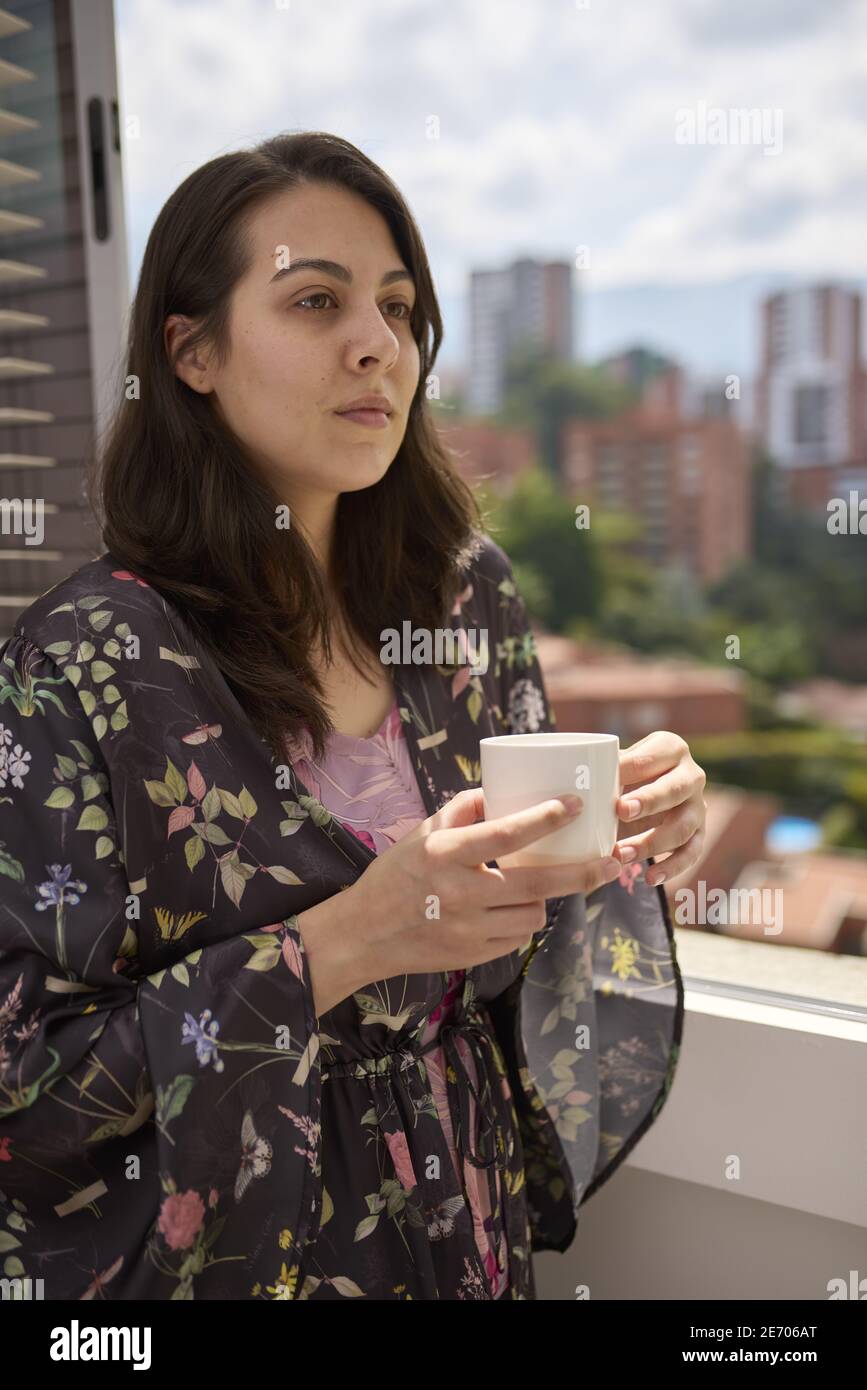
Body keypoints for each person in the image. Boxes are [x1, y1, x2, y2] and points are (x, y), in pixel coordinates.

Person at [0, 131, 705, 1300]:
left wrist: (627, 842)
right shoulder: (82, 664)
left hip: (464, 1229)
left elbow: (520, 947)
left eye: (395, 305)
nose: (377, 343)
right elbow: (25, 1088)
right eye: (315, 301)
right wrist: (347, 940)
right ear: (192, 353)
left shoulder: (464, 596)